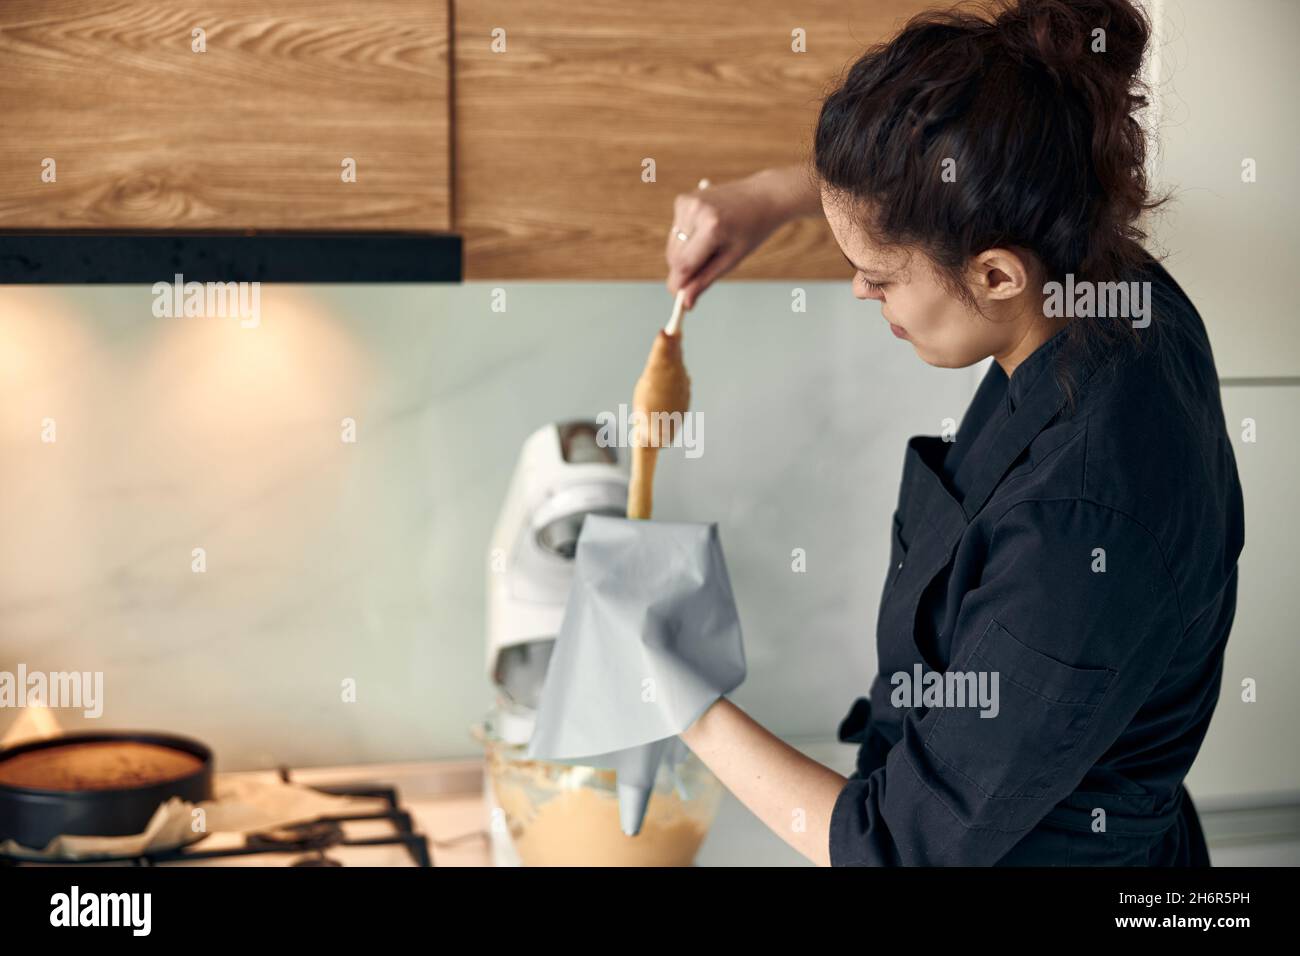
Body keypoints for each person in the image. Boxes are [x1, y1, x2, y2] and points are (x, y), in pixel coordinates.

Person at [667, 0, 1244, 866]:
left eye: (878, 276)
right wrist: (770, 197)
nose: (864, 293)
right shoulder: (1106, 277)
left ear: (998, 272)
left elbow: (898, 848)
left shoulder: (1080, 529)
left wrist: (678, 700)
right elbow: (944, 185)